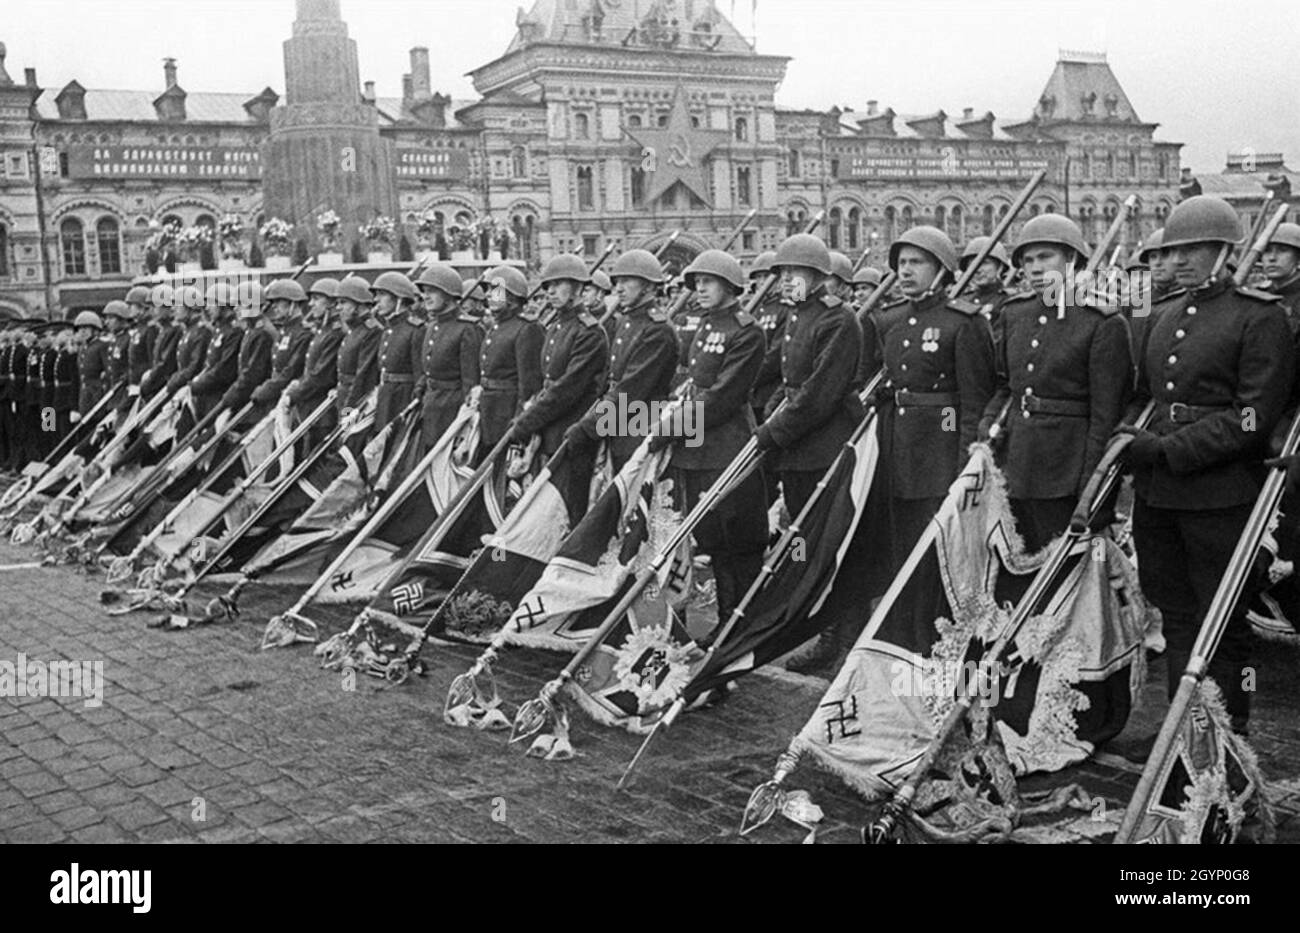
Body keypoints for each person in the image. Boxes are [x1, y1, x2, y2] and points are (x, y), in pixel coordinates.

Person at [1118, 195, 1294, 736]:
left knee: (1227, 623)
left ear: (1225, 249)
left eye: (1197, 248)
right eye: (1176, 249)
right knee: (1177, 616)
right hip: (1159, 494)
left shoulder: (1260, 316)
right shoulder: (1165, 314)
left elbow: (1253, 418)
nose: (1184, 259)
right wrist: (1131, 438)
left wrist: (1171, 449)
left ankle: (1229, 733)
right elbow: (1142, 396)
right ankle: (1180, 729)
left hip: (1221, 493)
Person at [980, 215, 1132, 551]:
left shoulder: (1101, 322)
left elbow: (1105, 414)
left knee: (1071, 567)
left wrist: (1090, 482)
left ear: (1072, 260)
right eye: (1028, 260)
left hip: (1067, 467)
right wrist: (987, 429)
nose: (1035, 268)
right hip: (1016, 463)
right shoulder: (1014, 312)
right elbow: (1006, 387)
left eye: (1045, 257)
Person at [652, 248, 767, 632]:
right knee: (713, 540)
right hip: (697, 447)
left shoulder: (745, 330)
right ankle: (724, 620)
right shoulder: (703, 324)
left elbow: (721, 398)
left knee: (738, 542)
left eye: (707, 282)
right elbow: (691, 380)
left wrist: (667, 428)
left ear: (730, 285)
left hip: (727, 446)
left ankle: (740, 622)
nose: (699, 289)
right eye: (696, 283)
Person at [870, 226, 996, 573]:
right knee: (901, 548)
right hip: (897, 451)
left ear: (941, 269)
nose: (905, 271)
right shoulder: (891, 321)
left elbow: (970, 403)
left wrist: (962, 466)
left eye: (917, 262)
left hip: (939, 451)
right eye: (901, 263)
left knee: (936, 552)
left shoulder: (963, 322)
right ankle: (902, 626)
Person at [756, 233, 863, 517]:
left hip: (825, 445)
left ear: (816, 275)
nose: (786, 279)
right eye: (783, 272)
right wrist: (770, 414)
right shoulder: (797, 313)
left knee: (818, 527)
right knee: (797, 528)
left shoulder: (838, 317)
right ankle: (798, 561)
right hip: (797, 444)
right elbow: (788, 379)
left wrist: (774, 430)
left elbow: (820, 392)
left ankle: (809, 562)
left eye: (795, 271)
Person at [506, 254, 608, 521]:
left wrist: (526, 422)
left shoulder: (590, 332)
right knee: (544, 506)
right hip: (549, 429)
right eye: (547, 286)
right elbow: (545, 381)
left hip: (572, 430)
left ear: (577, 287)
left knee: (569, 506)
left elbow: (567, 389)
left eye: (558, 284)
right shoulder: (555, 327)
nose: (550, 291)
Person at [565, 249, 678, 473]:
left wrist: (588, 427)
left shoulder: (657, 329)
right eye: (617, 281)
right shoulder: (627, 320)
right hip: (617, 422)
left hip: (641, 425)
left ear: (647, 285)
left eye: (626, 281)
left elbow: (631, 389)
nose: (618, 288)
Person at [414, 263, 482, 453]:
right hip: (431, 409)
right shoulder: (432, 327)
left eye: (432, 291)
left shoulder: (467, 329)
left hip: (452, 412)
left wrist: (465, 423)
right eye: (424, 291)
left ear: (449, 294)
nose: (425, 296)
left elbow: (470, 382)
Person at [476, 265, 543, 454]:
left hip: (507, 412)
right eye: (487, 290)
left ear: (512, 297)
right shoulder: (496, 327)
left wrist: (520, 419)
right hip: (489, 411)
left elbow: (528, 383)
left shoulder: (527, 329)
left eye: (494, 289)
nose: (488, 295)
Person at [287, 277, 346, 448]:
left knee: (316, 463)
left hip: (323, 414)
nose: (311, 304)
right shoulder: (323, 330)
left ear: (331, 303)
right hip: (310, 409)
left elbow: (320, 377)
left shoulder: (334, 333)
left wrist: (293, 394)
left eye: (317, 299)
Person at [216, 282, 276, 427]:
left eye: (240, 304)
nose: (235, 308)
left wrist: (229, 398)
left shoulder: (262, 333)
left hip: (258, 408)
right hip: (247, 404)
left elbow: (252, 375)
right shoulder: (252, 330)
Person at [250, 278, 312, 416]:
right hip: (275, 399)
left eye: (278, 301)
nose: (274, 307)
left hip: (292, 404)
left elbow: (291, 371)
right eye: (272, 302)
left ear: (292, 303)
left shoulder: (303, 334)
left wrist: (266, 389)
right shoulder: (283, 331)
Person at [372, 271, 424, 430]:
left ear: (398, 299)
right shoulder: (389, 329)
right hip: (385, 398)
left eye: (382, 295)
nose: (376, 300)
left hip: (402, 401)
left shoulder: (415, 330)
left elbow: (419, 374)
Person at [189, 283, 242, 422]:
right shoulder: (220, 330)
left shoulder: (234, 332)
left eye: (211, 303)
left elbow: (223, 371)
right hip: (206, 397)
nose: (207, 308)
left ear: (222, 305)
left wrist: (195, 386)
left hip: (219, 396)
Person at [333, 275, 382, 427]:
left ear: (359, 304)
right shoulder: (354, 330)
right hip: (346, 401)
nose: (338, 307)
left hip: (359, 406)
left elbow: (362, 378)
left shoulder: (372, 331)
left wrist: (348, 413)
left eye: (343, 302)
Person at [163, 285, 211, 400]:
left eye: (177, 304)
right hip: (183, 390)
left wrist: (175, 381)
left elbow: (195, 366)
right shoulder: (188, 330)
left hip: (196, 394)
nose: (173, 309)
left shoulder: (201, 331)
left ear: (189, 307)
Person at [959, 236, 1014, 334]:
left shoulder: (1009, 301)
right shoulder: (962, 301)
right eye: (971, 265)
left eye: (984, 263)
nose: (978, 270)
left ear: (999, 267)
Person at [140, 284, 181, 400]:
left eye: (155, 306)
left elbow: (166, 364)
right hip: (158, 386)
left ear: (167, 307)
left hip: (167, 387)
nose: (152, 311)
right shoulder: (164, 330)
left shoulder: (174, 330)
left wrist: (150, 380)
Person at [73, 310, 110, 421]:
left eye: (86, 328)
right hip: (85, 395)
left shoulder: (101, 346)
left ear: (95, 330)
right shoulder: (83, 348)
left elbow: (108, 371)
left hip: (97, 394)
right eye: (80, 329)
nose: (82, 331)